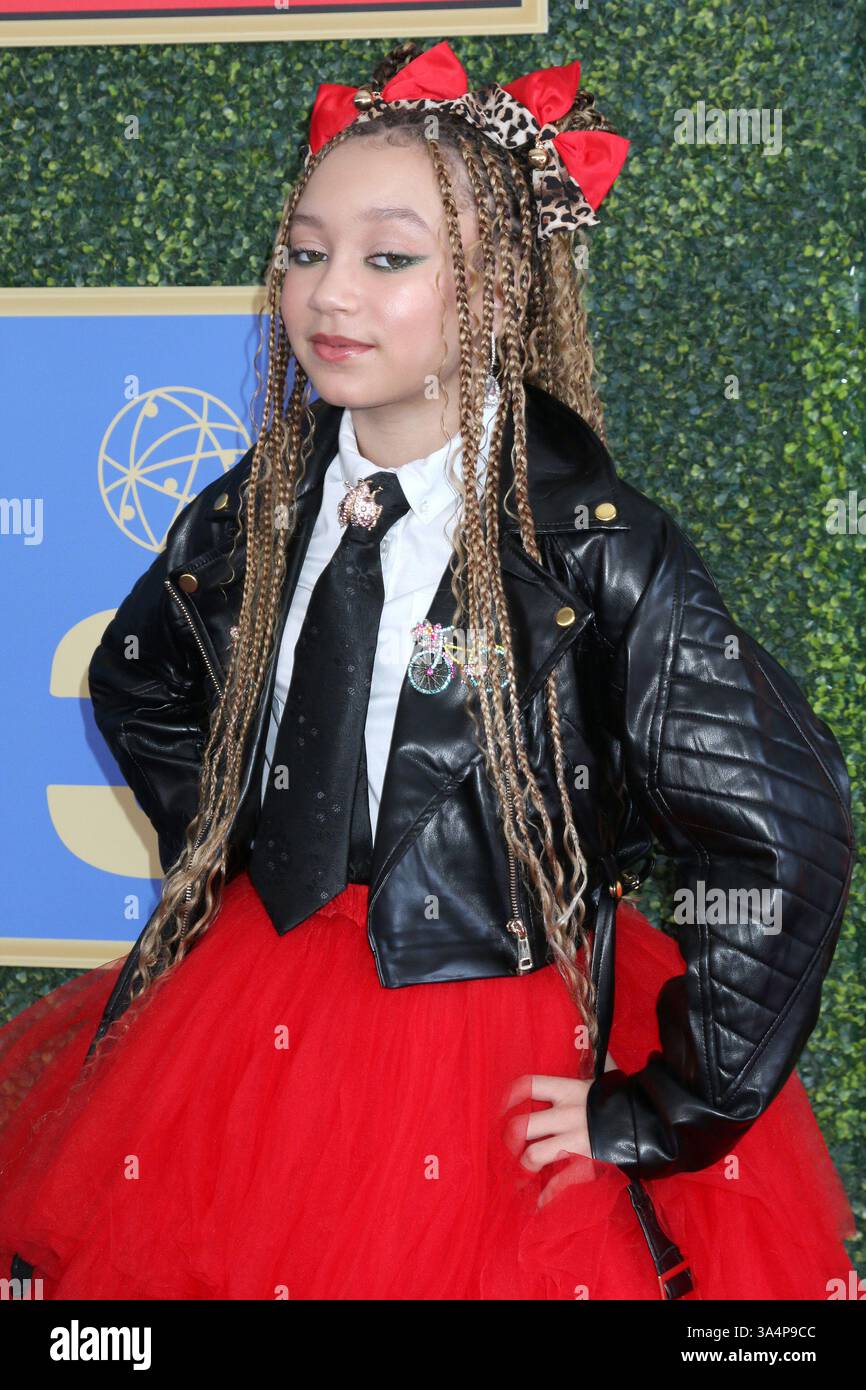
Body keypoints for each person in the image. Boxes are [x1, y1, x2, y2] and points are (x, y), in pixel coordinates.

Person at [0, 40, 858, 1301]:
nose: (326, 294)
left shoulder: (593, 549)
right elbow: (142, 682)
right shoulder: (252, 510)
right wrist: (263, 842)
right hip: (254, 1028)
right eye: (304, 251)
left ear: (498, 287)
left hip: (494, 1048)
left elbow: (783, 824)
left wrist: (665, 1106)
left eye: (387, 258)